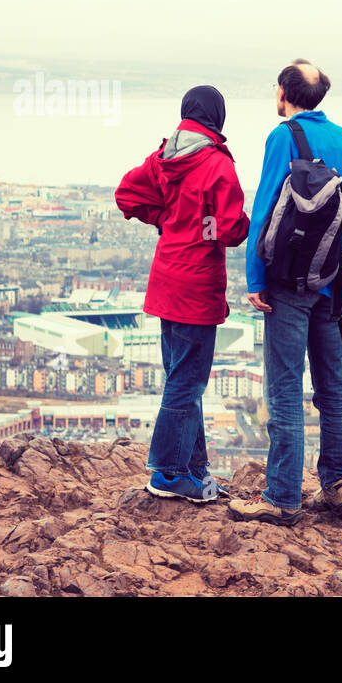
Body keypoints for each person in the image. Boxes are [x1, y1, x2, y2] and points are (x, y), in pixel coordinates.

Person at [229, 59, 342, 525]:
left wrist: (255, 279)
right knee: (332, 388)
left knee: (284, 389)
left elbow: (263, 210)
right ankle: (337, 488)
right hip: (334, 280)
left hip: (286, 283)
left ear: (284, 92)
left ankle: (281, 497)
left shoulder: (283, 137)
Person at [115, 85, 250, 503]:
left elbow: (126, 194)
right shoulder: (216, 165)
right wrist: (247, 223)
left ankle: (194, 470)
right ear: (218, 119)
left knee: (181, 378)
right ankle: (169, 474)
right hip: (195, 287)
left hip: (166, 281)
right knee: (186, 384)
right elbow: (228, 230)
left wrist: (168, 218)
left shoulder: (163, 157)